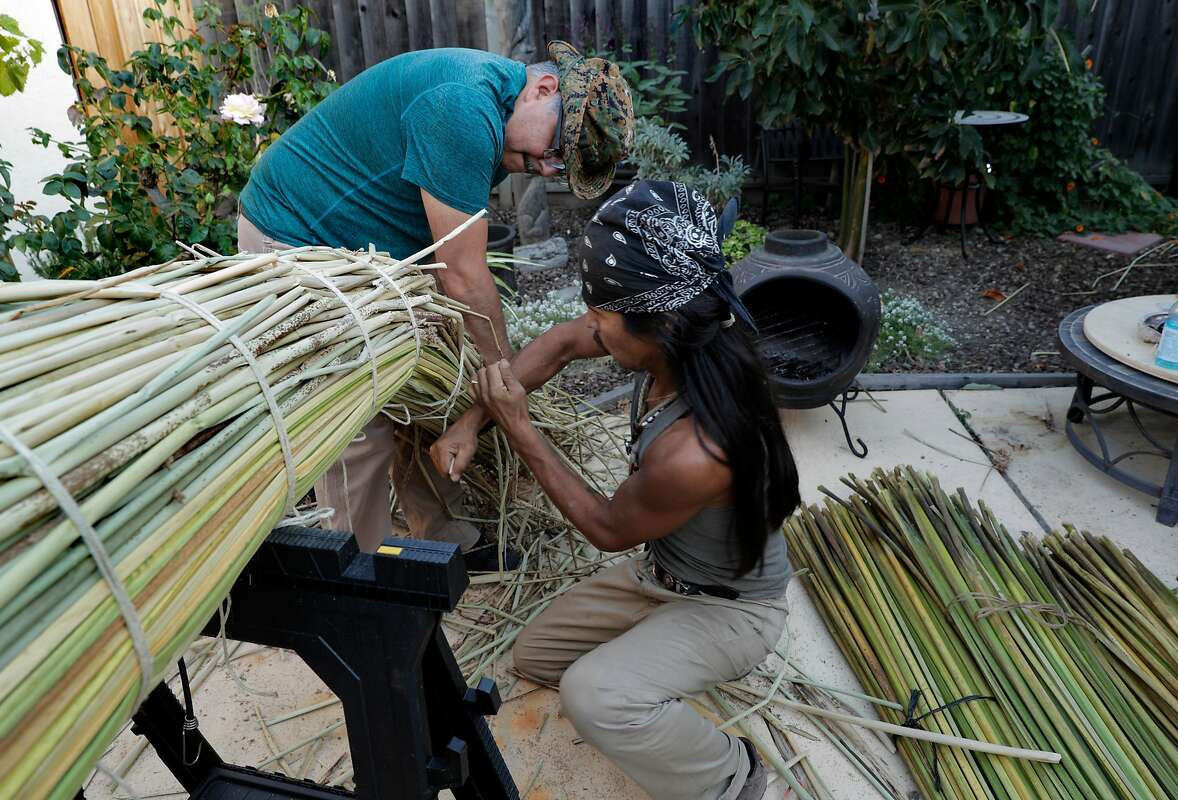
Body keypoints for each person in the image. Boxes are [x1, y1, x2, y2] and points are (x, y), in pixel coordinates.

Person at [430, 180, 801, 800]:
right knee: (537, 658)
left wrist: (521, 431)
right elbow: (559, 343)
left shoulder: (697, 450)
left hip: (730, 608)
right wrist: (473, 420)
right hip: (660, 576)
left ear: (658, 323)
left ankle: (732, 775)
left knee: (592, 695)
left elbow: (605, 529)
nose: (593, 325)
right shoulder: (673, 338)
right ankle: (650, 661)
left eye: (604, 313)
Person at [236, 42, 633, 567]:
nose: (545, 167)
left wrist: (474, 362)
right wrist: (500, 373)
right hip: (298, 238)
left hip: (371, 250)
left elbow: (447, 253)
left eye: (561, 164)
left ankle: (439, 538)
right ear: (543, 89)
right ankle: (361, 572)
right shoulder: (464, 108)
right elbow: (465, 276)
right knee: (361, 410)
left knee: (429, 383)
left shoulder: (497, 107)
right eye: (557, 146)